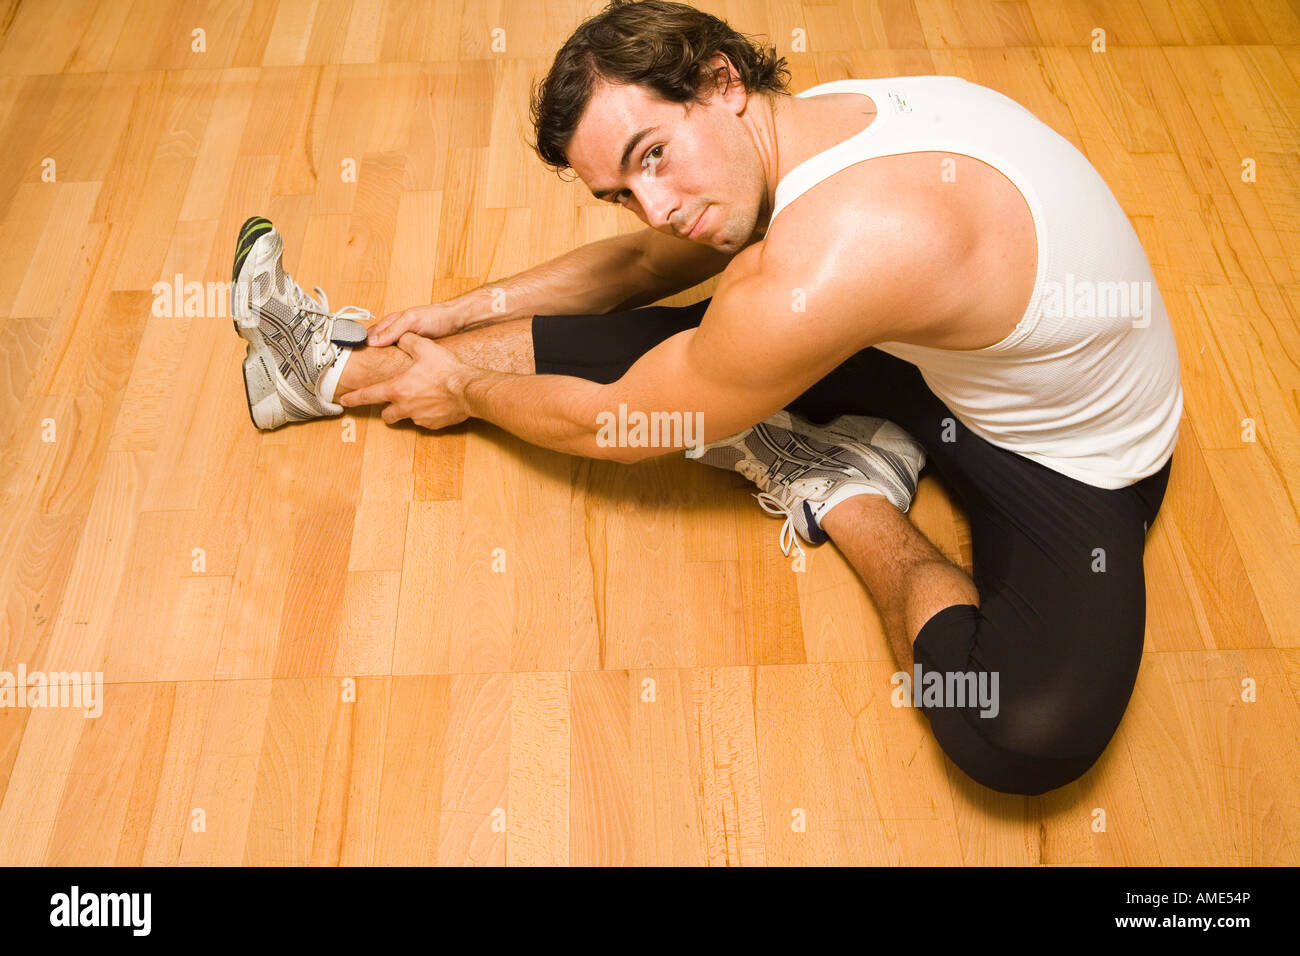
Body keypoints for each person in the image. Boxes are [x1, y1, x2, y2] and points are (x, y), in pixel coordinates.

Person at [229, 0, 1181, 796]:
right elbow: (649, 262)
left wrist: (468, 392)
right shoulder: (802, 126)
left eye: (652, 155)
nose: (654, 205)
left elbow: (626, 423)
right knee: (714, 325)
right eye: (619, 189)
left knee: (1020, 733)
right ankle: (331, 365)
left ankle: (846, 489)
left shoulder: (847, 248)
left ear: (722, 81)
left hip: (1074, 463)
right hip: (940, 362)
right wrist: (451, 316)